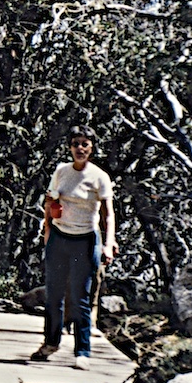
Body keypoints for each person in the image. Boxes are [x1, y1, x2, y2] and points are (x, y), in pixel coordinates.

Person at [31, 124, 116, 370]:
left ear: (92, 148)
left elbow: (108, 215)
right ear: (70, 147)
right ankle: (51, 343)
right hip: (60, 236)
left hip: (85, 240)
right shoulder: (61, 171)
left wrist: (108, 244)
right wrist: (47, 232)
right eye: (76, 144)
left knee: (80, 296)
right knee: (54, 294)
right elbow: (51, 201)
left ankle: (82, 351)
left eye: (85, 144)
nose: (80, 149)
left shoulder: (99, 177)